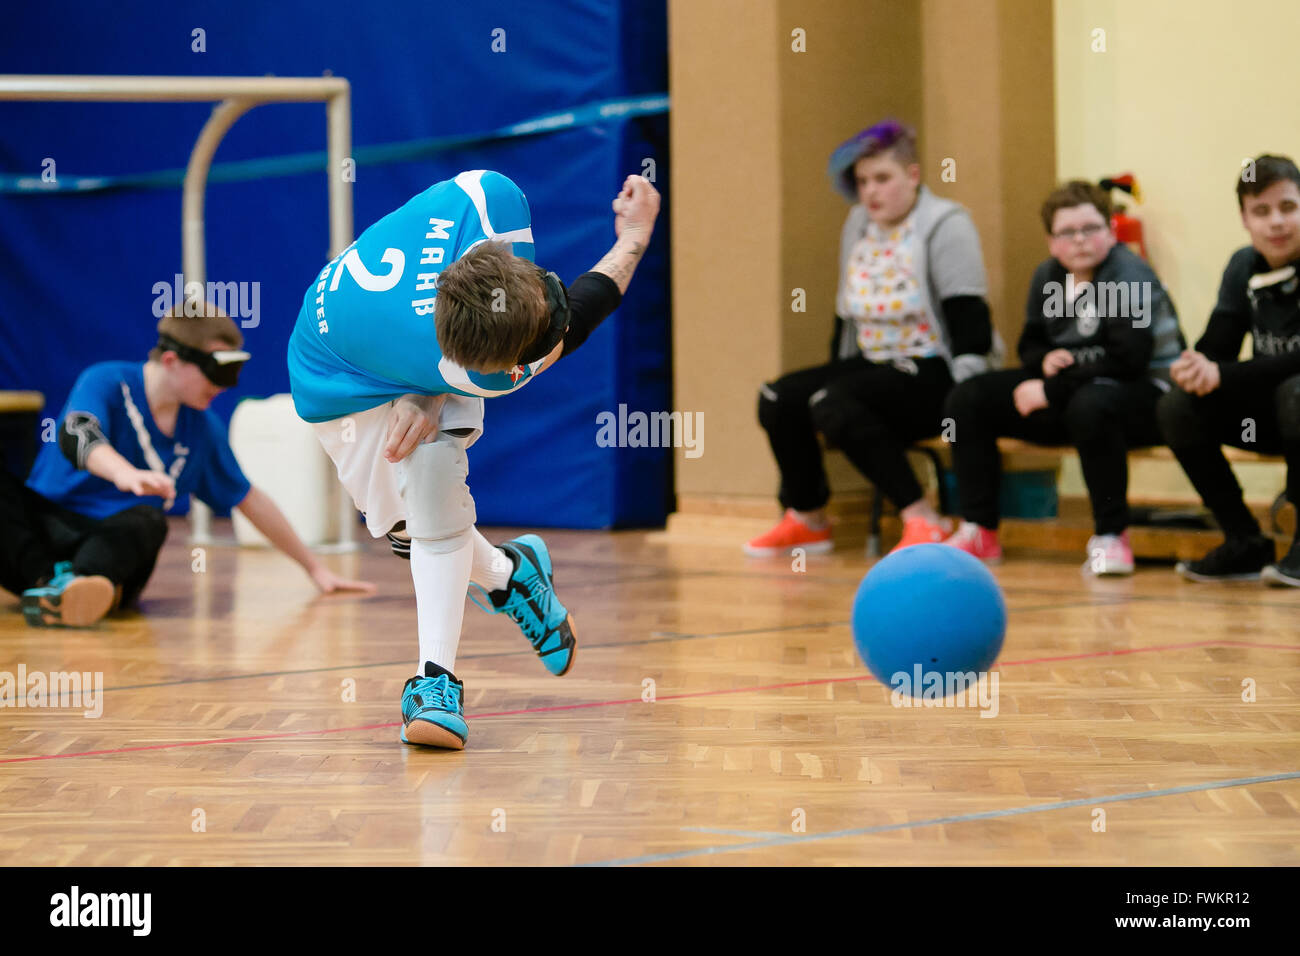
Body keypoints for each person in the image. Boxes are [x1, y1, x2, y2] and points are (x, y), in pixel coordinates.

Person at [287, 168, 659, 750]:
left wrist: (634, 233)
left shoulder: (490, 197)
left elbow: (562, 316)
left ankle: (433, 683)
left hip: (402, 340)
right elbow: (579, 320)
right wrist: (422, 388)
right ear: (487, 369)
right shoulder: (477, 374)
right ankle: (511, 578)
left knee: (432, 487)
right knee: (415, 532)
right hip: (336, 377)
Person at [2, 305, 374, 627]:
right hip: (47, 531)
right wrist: (125, 474)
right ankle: (56, 586)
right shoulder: (106, 381)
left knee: (147, 522)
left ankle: (88, 586)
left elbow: (248, 498)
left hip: (111, 549)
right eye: (214, 370)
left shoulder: (201, 429)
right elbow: (78, 435)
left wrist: (315, 569)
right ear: (171, 361)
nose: (223, 385)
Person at [745, 119, 996, 558]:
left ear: (913, 176)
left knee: (833, 402)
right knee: (777, 397)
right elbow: (846, 312)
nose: (870, 192)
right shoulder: (859, 222)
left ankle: (923, 517)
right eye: (862, 182)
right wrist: (832, 371)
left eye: (882, 179)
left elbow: (968, 315)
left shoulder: (945, 223)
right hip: (875, 364)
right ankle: (808, 518)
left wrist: (967, 398)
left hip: (934, 369)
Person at [942, 181, 1184, 573]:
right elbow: (1030, 344)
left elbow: (1130, 359)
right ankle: (980, 529)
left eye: (1091, 229)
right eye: (1067, 233)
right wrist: (1045, 362)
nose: (1080, 241)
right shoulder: (1049, 276)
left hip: (1144, 396)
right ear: (1051, 241)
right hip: (1075, 394)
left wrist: (1051, 388)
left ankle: (1111, 536)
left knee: (1092, 405)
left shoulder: (1129, 274)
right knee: (968, 398)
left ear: (1110, 231)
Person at [1158, 154, 1300, 585]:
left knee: (1297, 391)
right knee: (1177, 406)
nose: (1275, 222)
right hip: (1273, 416)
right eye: (1261, 211)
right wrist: (1194, 367)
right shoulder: (1243, 265)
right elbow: (1217, 346)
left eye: (1288, 207)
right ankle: (1243, 540)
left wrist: (1224, 374)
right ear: (1244, 219)